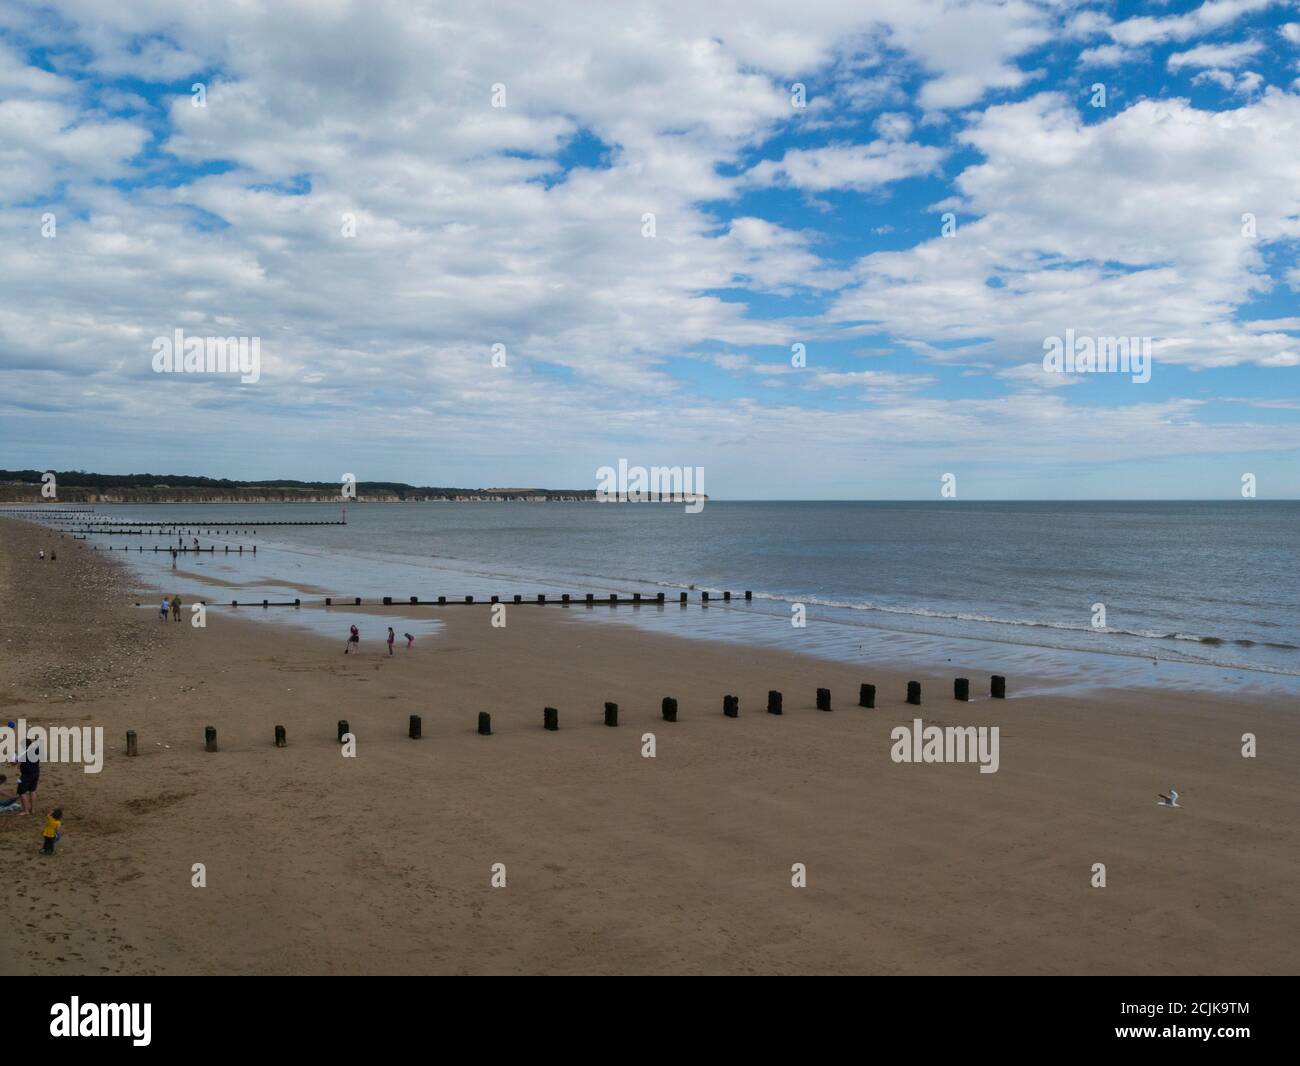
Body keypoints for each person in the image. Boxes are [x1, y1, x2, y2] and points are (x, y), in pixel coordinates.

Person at [16, 741, 39, 815]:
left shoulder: (24, 753)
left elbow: (14, 762)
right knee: (32, 790)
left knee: (22, 792)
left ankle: (26, 811)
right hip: (36, 772)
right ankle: (33, 809)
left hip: (26, 774)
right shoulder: (37, 749)